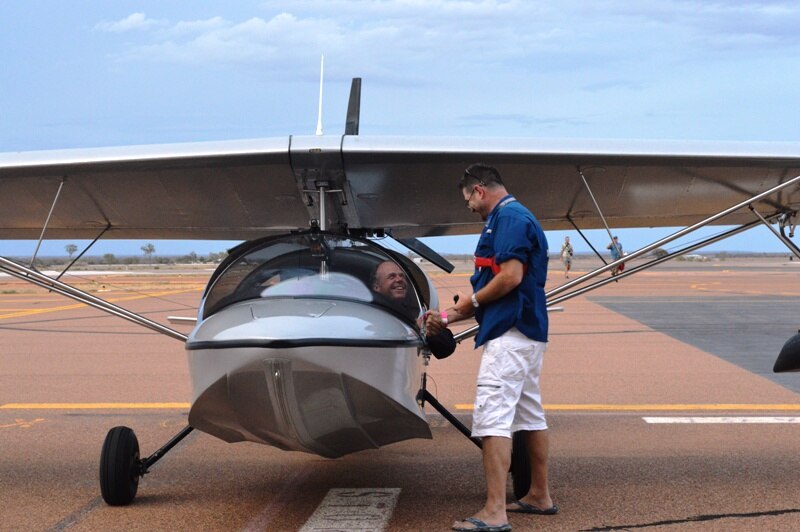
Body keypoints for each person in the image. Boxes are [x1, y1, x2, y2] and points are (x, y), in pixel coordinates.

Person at [426, 163, 556, 532]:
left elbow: (510, 277)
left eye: (468, 198)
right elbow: (497, 284)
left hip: (511, 335)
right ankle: (539, 496)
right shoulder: (512, 216)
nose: (468, 205)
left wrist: (464, 307)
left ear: (479, 190)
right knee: (529, 415)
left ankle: (494, 512)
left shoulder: (509, 218)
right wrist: (453, 315)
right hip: (525, 332)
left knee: (492, 419)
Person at [372, 260, 456, 359]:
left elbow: (445, 348)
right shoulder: (368, 310)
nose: (399, 279)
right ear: (376, 286)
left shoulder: (412, 311)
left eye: (402, 276)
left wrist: (425, 327)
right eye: (392, 276)